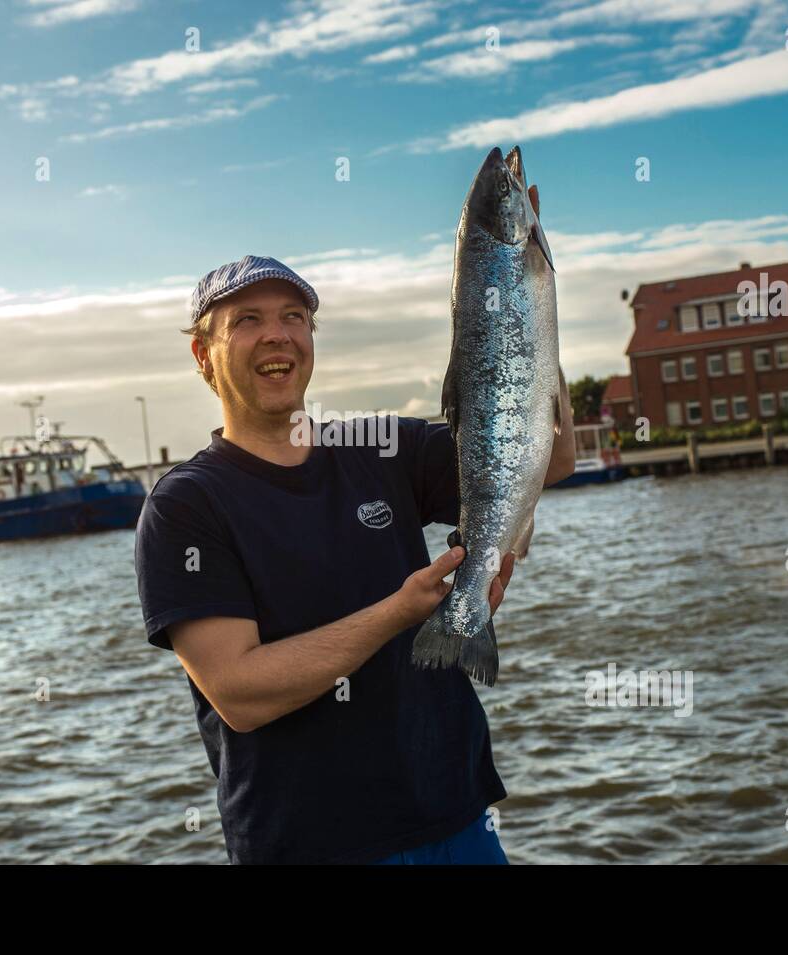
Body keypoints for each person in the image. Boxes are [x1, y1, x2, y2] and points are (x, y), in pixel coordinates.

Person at [135, 202, 574, 864]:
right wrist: (401, 612)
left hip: (458, 820)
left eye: (293, 317)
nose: (277, 334)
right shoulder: (186, 506)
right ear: (203, 354)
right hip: (312, 846)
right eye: (247, 321)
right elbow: (240, 693)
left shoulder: (382, 446)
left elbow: (555, 458)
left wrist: (529, 302)